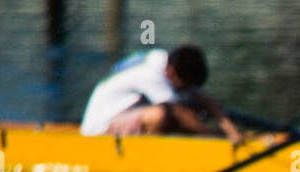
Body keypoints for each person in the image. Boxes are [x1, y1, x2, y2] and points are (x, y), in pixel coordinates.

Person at [80, 45, 241, 143]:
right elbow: (180, 114)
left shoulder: (168, 62)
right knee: (161, 115)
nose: (184, 90)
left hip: (121, 116)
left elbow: (205, 100)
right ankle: (148, 156)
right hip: (97, 130)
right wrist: (219, 138)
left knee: (179, 112)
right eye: (183, 86)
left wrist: (232, 132)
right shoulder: (152, 75)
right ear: (170, 72)